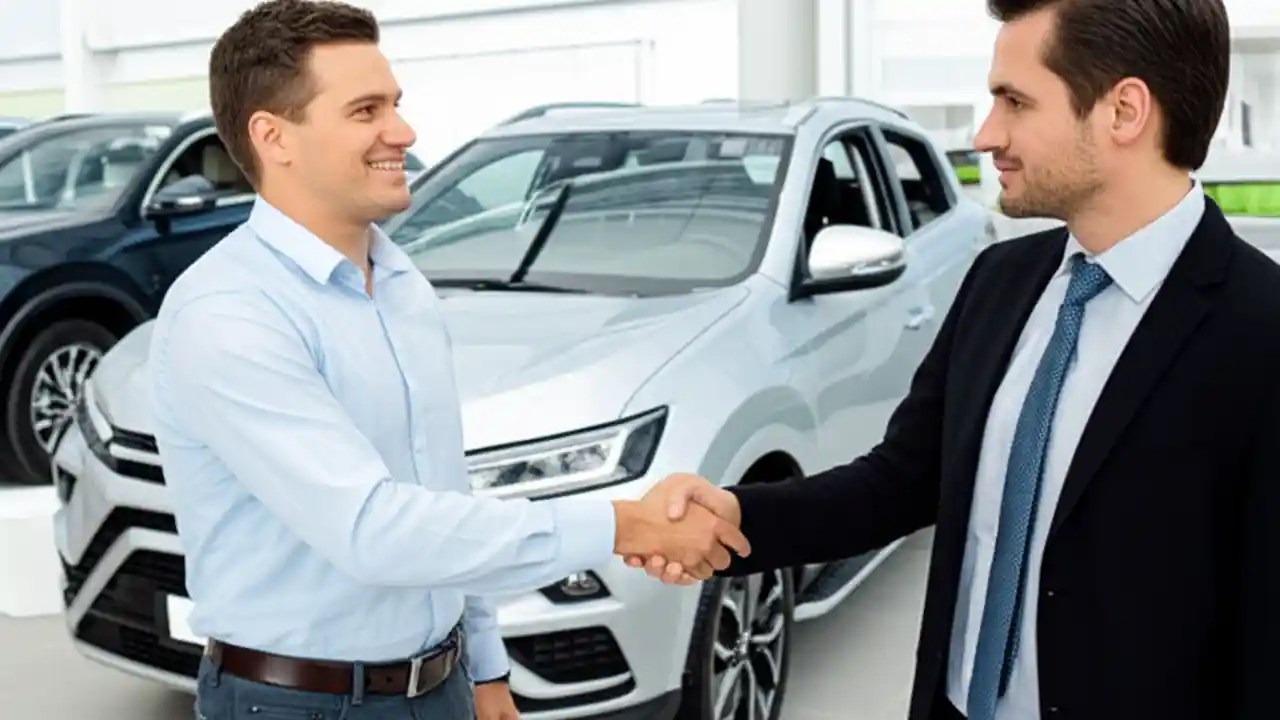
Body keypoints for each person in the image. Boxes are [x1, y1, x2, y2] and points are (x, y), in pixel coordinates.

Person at [632, 0, 1279, 718]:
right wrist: (734, 518)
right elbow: (902, 481)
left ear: (1124, 111)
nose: (984, 135)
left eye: (1015, 101)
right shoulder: (1000, 282)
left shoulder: (1260, 331)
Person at [146, 2, 748, 719]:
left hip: (443, 684)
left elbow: (441, 492)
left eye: (395, 105)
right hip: (295, 704)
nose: (403, 131)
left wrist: (486, 665)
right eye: (366, 110)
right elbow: (372, 529)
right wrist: (623, 524)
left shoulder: (400, 285)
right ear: (274, 137)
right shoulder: (227, 312)